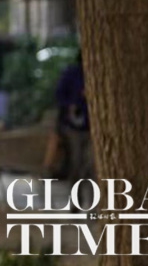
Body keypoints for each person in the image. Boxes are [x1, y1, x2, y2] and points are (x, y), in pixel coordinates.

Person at [56, 52, 93, 203]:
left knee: (91, 167)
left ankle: (93, 204)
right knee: (76, 164)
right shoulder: (72, 74)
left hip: (92, 128)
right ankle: (75, 200)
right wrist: (71, 104)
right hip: (74, 128)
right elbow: (59, 95)